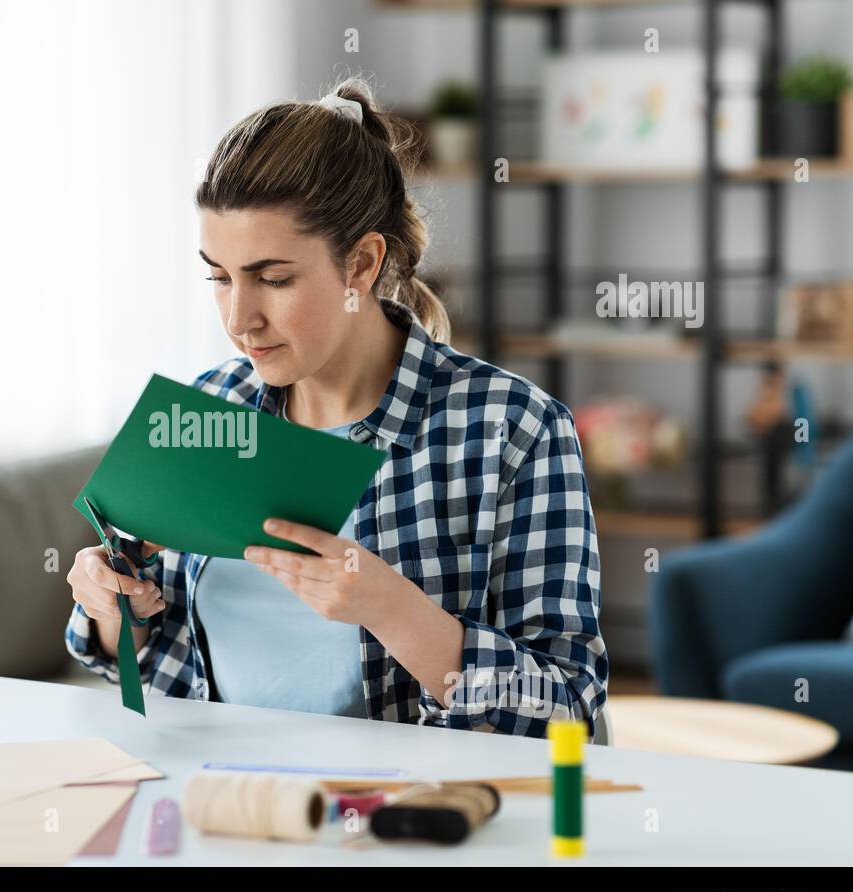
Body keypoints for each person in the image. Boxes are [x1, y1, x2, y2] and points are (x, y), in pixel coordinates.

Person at [65, 78, 607, 738]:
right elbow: (140, 662)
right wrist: (110, 608)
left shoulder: (512, 430)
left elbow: (569, 707)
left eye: (274, 278)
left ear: (362, 263)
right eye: (219, 276)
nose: (240, 318)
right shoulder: (209, 411)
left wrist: (396, 612)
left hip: (401, 818)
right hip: (216, 803)